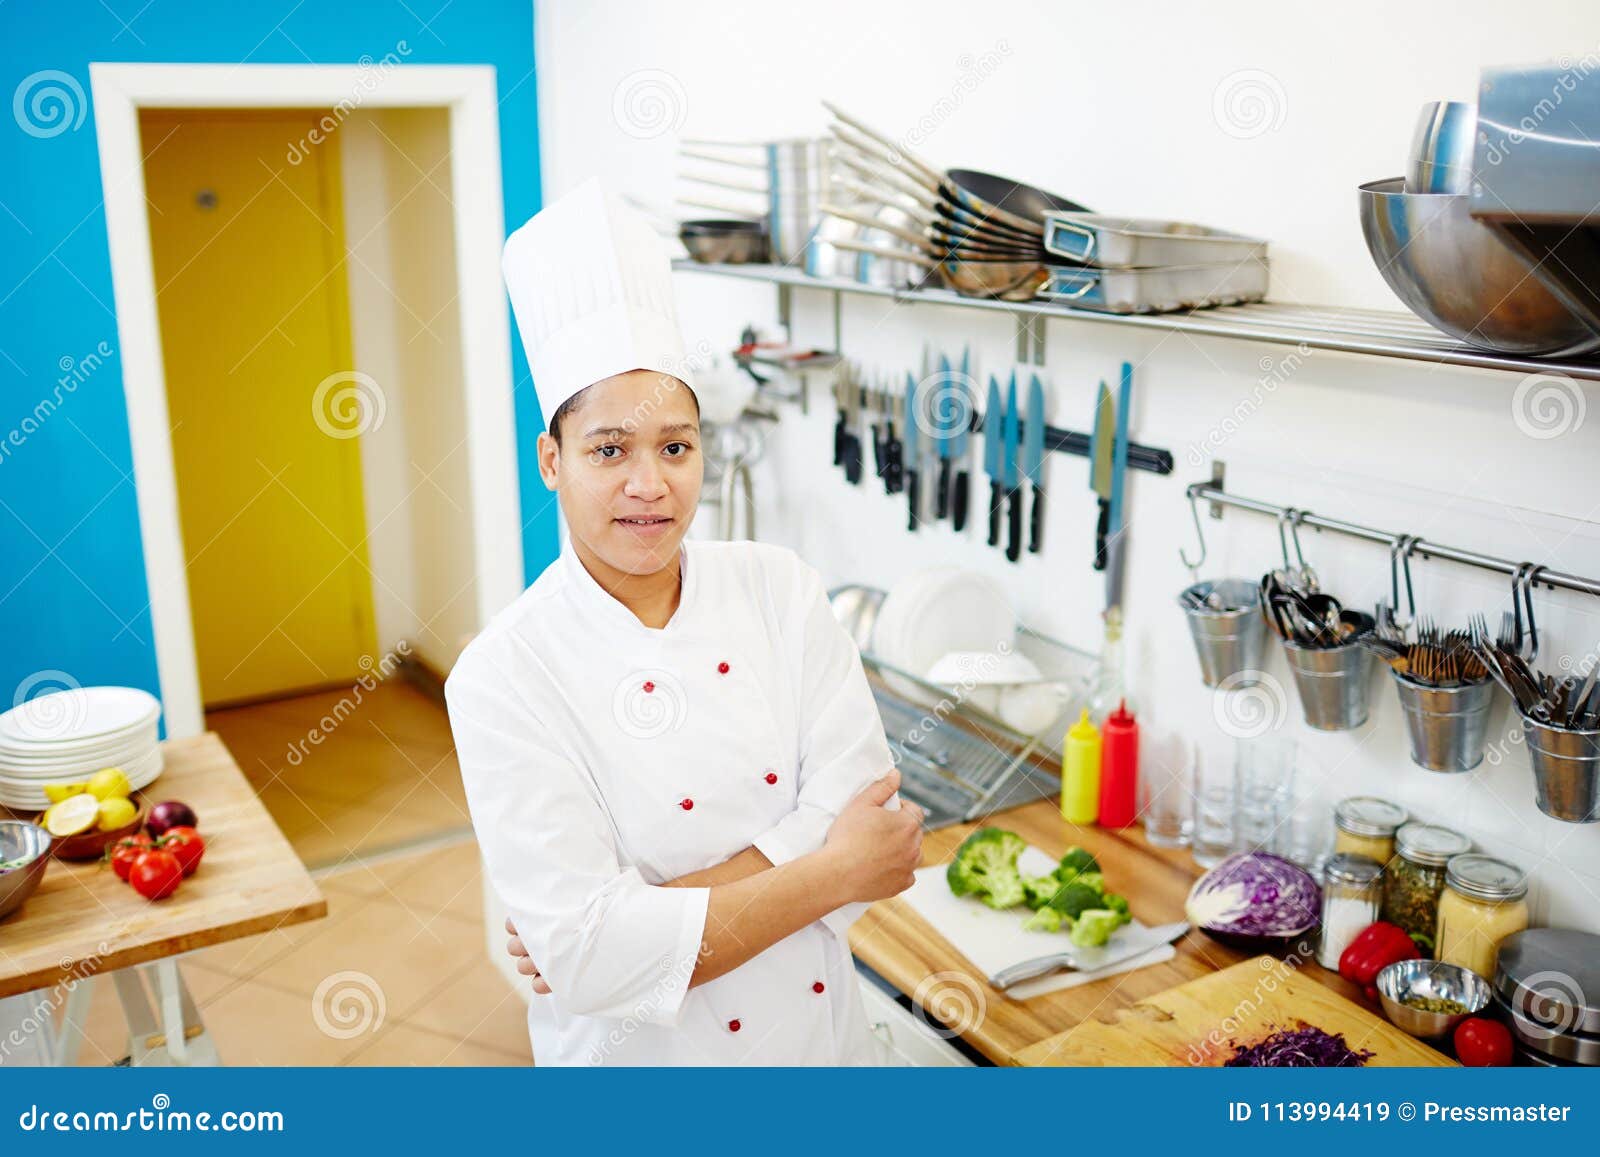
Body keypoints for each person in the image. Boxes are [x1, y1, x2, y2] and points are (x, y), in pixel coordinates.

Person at [444, 178, 924, 1066]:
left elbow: (866, 813)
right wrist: (828, 871)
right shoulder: (502, 673)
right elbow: (589, 961)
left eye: (675, 445)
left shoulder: (780, 589)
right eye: (608, 450)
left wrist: (627, 930)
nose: (649, 484)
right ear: (552, 460)